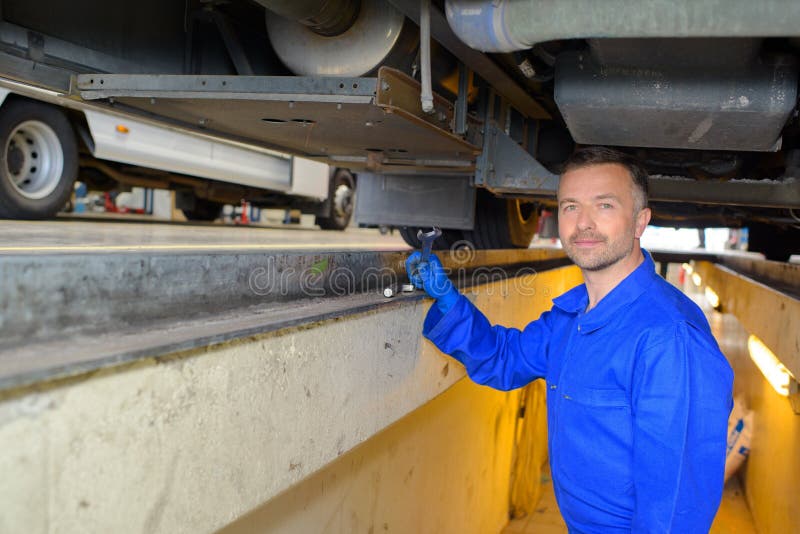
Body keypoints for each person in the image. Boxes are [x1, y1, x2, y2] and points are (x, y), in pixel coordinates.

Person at [406, 146, 734, 533]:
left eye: (605, 205)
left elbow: (677, 503)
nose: (583, 224)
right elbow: (503, 358)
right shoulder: (572, 314)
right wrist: (449, 302)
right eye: (570, 207)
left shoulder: (670, 339)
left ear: (640, 221)